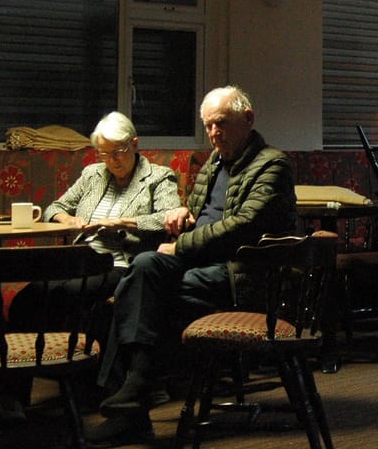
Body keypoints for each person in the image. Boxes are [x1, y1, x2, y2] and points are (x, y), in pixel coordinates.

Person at [86, 85, 297, 446]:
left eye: (221, 124)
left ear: (247, 120)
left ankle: (133, 404)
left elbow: (241, 227)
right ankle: (135, 393)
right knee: (142, 268)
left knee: (139, 293)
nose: (214, 133)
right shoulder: (214, 163)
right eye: (208, 126)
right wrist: (185, 214)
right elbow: (206, 217)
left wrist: (181, 243)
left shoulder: (273, 164)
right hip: (202, 264)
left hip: (244, 275)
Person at [10, 112, 181, 331]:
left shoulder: (158, 177)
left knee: (61, 293)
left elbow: (167, 217)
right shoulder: (93, 174)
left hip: (120, 264)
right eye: (104, 154)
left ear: (135, 144)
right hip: (80, 259)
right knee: (27, 297)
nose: (112, 160)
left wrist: (120, 222)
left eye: (118, 152)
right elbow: (53, 208)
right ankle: (29, 360)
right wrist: (69, 220)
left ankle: (72, 360)